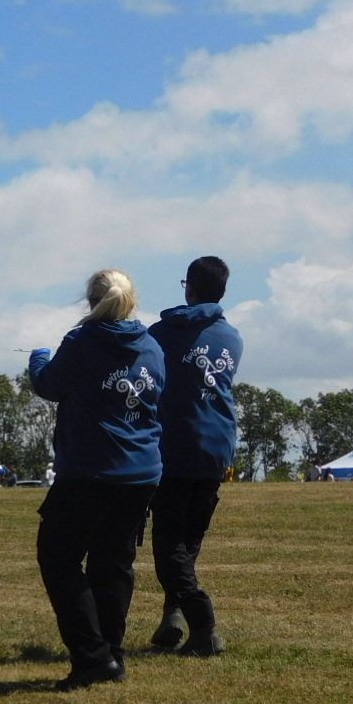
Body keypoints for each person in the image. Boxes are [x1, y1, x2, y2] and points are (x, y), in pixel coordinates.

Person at [29, 268, 165, 692]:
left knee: (58, 557)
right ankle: (113, 655)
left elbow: (49, 385)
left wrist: (37, 357)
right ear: (131, 302)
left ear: (91, 303)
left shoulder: (81, 342)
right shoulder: (152, 346)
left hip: (89, 470)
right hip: (141, 472)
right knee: (114, 565)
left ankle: (92, 657)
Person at [146, 256, 243, 658]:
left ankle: (202, 624)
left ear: (189, 287)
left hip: (175, 447)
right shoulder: (232, 336)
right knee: (189, 540)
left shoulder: (161, 334)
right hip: (218, 448)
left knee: (168, 543)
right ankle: (173, 616)